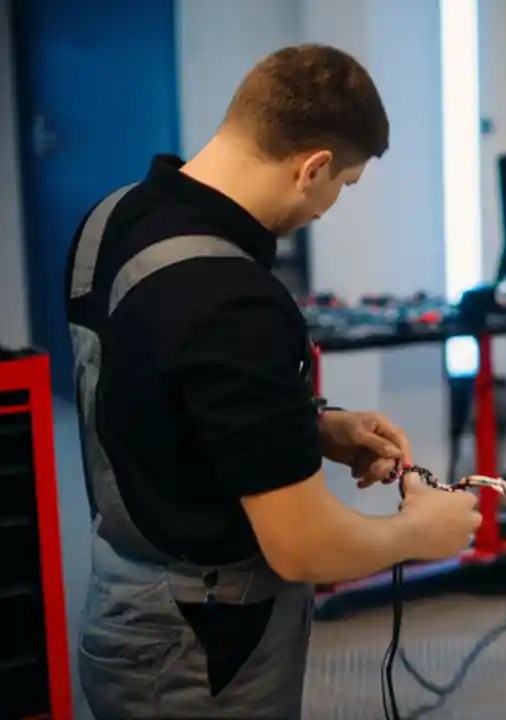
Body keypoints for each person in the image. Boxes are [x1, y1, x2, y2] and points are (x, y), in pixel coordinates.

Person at [63, 44, 481, 718]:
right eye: (341, 186)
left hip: (122, 601)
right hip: (200, 645)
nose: (328, 207)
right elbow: (304, 547)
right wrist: (421, 535)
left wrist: (307, 428)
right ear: (312, 166)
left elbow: (155, 398)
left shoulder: (108, 221)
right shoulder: (233, 298)